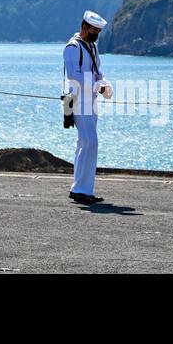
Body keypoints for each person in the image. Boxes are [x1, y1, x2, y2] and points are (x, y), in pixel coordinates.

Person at [63, 10, 112, 205]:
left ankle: (83, 189)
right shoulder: (72, 47)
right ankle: (80, 189)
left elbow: (98, 71)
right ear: (84, 27)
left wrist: (105, 84)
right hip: (79, 100)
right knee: (90, 142)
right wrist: (96, 84)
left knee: (85, 144)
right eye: (94, 30)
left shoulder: (92, 47)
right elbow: (74, 76)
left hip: (91, 100)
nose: (96, 34)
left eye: (98, 31)